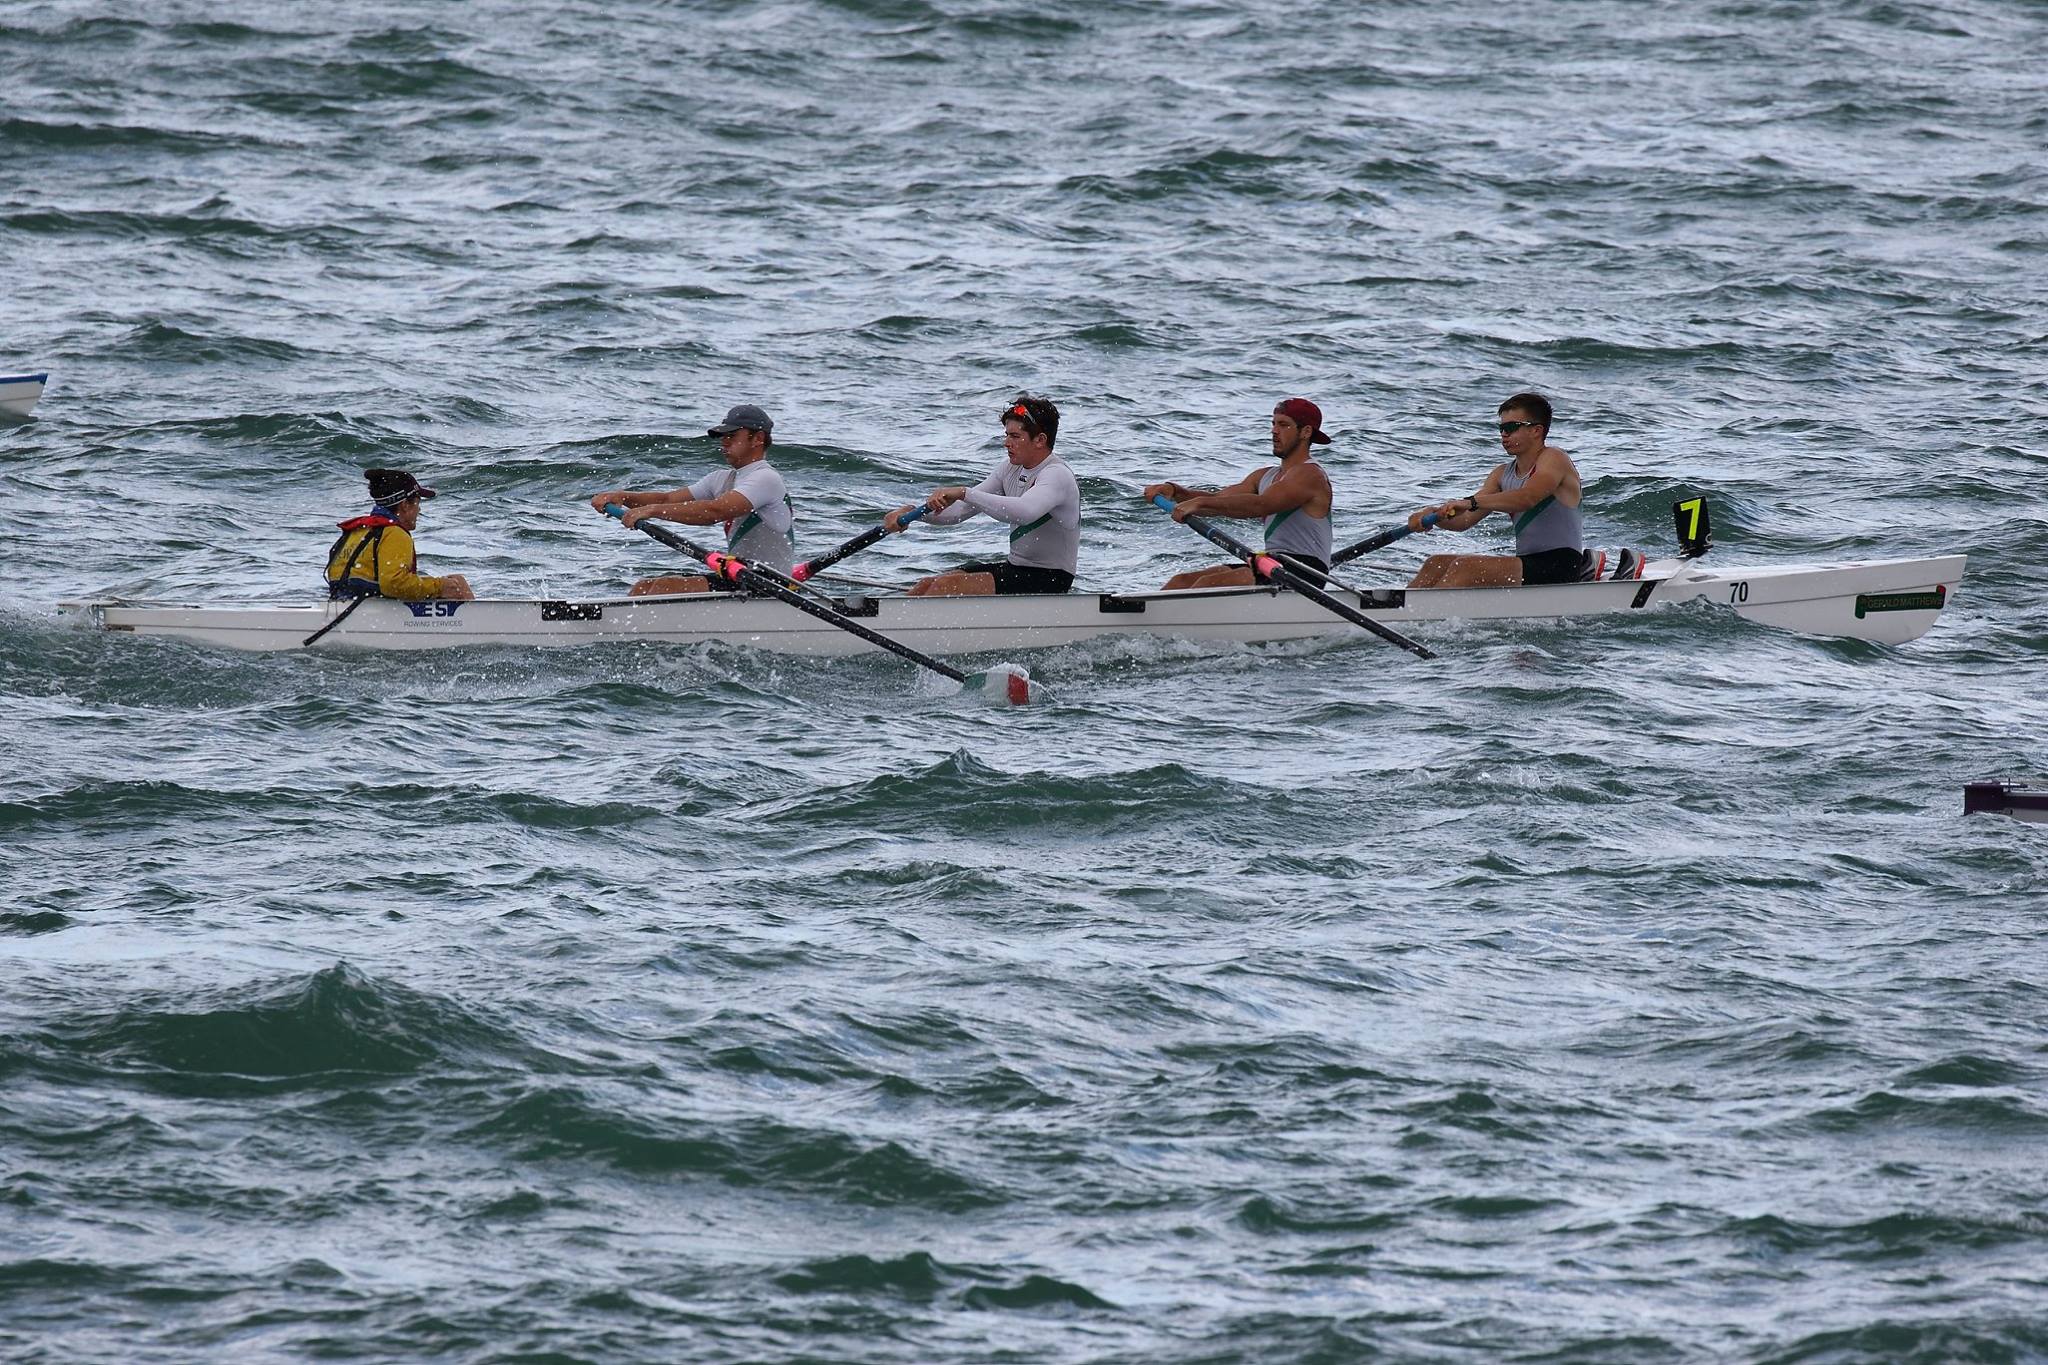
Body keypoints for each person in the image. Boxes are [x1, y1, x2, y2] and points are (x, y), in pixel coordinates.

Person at [1403, 392, 1641, 588]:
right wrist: (1432, 515)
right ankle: (1402, 612)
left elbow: (1527, 498)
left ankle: (1425, 619)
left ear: (1536, 430)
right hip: (1527, 564)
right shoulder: (1501, 474)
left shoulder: (1554, 459)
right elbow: (1464, 520)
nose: (1504, 434)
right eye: (1502, 428)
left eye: (1512, 427)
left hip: (1560, 565)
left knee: (1463, 568)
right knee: (1435, 563)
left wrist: (1471, 502)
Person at [883, 393, 1079, 596]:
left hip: (1050, 579)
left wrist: (963, 492)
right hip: (1016, 568)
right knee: (926, 586)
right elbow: (958, 512)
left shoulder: (1057, 475)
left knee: (945, 588)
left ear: (1040, 440)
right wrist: (912, 514)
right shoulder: (1010, 469)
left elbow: (1025, 512)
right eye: (1007, 435)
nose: (1006, 443)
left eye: (1015, 436)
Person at [589, 403, 796, 595]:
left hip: (770, 584)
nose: (724, 443)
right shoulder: (721, 479)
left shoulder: (766, 478)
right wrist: (623, 496)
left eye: (732, 436)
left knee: (664, 588)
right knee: (644, 587)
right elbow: (667, 499)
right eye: (722, 437)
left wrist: (650, 511)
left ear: (758, 438)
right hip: (739, 575)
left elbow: (716, 511)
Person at [1143, 397, 1335, 590]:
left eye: (1284, 425)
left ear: (1306, 432)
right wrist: (1175, 492)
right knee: (1181, 582)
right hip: (1273, 564)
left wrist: (1199, 503)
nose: (1274, 431)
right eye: (1273, 423)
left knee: (1209, 584)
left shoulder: (1310, 474)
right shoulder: (1264, 476)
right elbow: (1219, 500)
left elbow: (1261, 505)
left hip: (1306, 573)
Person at [325, 468, 473, 601]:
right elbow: (393, 584)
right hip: (373, 614)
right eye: (417, 503)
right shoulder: (394, 533)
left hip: (342, 607)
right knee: (458, 584)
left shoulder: (358, 531)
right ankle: (476, 627)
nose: (419, 511)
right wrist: (439, 587)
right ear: (405, 505)